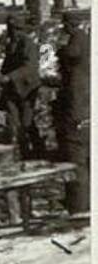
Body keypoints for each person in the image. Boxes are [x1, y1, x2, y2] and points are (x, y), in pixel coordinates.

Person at [54, 11, 90, 214]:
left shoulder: (76, 42)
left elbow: (68, 53)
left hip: (78, 109)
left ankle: (78, 205)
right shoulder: (89, 40)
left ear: (68, 25)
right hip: (87, 106)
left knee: (76, 157)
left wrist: (55, 49)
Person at [0, 15, 43, 158]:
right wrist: (0, 76)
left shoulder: (28, 44)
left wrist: (9, 76)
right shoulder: (11, 44)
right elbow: (7, 65)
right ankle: (21, 153)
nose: (12, 32)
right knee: (14, 122)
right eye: (10, 29)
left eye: (15, 29)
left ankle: (38, 151)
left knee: (27, 123)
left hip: (27, 88)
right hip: (13, 89)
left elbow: (29, 67)